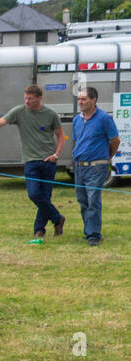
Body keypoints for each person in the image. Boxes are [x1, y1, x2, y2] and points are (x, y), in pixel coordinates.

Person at [0, 84, 67, 244]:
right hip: (31, 161)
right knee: (34, 194)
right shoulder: (19, 112)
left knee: (45, 196)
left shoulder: (51, 114)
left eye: (30, 98)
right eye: (25, 98)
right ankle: (57, 218)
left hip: (48, 162)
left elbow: (60, 136)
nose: (27, 101)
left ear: (39, 98)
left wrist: (56, 155)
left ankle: (39, 230)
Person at [71, 87, 120, 245]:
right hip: (79, 166)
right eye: (79, 99)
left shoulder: (104, 118)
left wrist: (107, 157)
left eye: (84, 99)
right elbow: (77, 140)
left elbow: (115, 140)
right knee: (82, 199)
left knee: (93, 199)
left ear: (94, 100)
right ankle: (89, 230)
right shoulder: (77, 120)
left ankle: (93, 235)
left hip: (97, 166)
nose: (80, 102)